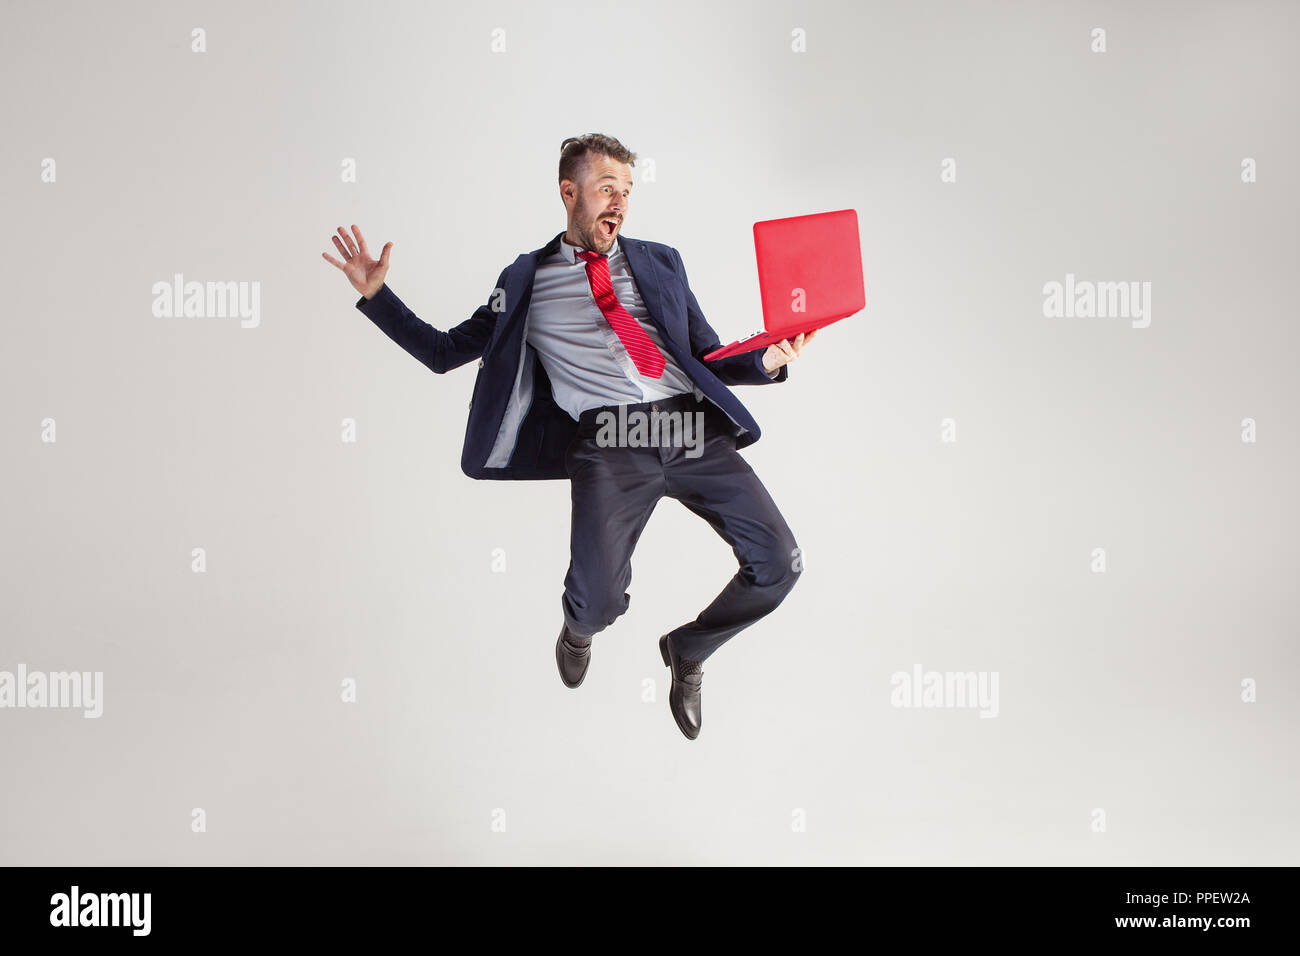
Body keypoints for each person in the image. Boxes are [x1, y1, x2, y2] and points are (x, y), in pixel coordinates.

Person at [322, 133, 815, 740]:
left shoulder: (660, 261)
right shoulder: (525, 280)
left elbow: (706, 353)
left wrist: (766, 361)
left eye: (628, 192)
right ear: (569, 192)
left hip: (690, 428)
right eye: (608, 189)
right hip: (608, 443)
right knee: (600, 599)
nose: (621, 203)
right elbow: (444, 351)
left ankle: (689, 650)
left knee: (779, 562)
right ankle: (580, 626)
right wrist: (378, 296)